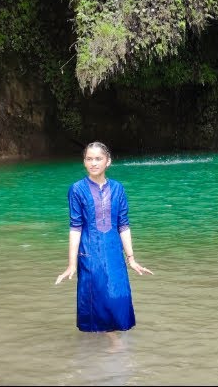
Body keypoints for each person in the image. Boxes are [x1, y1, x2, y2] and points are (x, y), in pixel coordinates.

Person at [55, 142, 153, 333]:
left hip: (114, 253)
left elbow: (123, 224)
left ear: (108, 161)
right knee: (98, 301)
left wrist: (131, 259)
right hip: (90, 254)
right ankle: (108, 349)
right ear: (84, 162)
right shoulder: (76, 189)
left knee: (120, 298)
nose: (93, 163)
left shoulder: (118, 188)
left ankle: (111, 349)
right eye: (89, 159)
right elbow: (75, 227)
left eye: (98, 159)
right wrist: (71, 264)